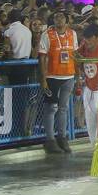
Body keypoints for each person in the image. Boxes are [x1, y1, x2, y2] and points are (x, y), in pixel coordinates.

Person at [37, 11, 78, 154]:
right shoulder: (47, 35)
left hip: (69, 76)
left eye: (61, 17)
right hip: (52, 76)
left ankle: (62, 137)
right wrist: (43, 79)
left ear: (67, 21)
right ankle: (50, 140)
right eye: (56, 17)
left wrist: (77, 76)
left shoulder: (72, 34)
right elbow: (41, 57)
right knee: (51, 108)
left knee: (63, 108)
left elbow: (75, 54)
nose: (58, 19)